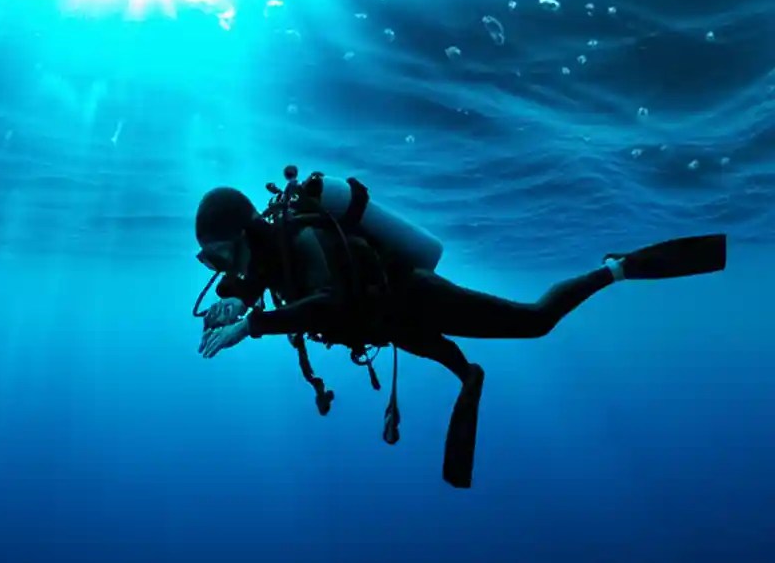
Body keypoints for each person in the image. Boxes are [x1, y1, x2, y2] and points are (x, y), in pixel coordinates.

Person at [191, 171, 727, 488]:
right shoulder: (266, 259)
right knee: (458, 364)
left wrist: (251, 325)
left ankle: (616, 268)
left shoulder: (305, 241)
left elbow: (329, 303)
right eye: (209, 260)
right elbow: (254, 278)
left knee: (535, 321)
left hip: (415, 298)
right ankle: (469, 375)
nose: (220, 268)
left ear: (247, 233)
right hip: (392, 325)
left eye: (220, 254)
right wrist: (235, 301)